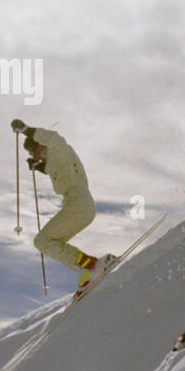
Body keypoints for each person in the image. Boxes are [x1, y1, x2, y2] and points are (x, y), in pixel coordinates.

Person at [11, 119, 118, 296]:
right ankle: (88, 267)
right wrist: (40, 167)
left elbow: (54, 138)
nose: (32, 155)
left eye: (31, 151)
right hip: (79, 205)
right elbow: (59, 170)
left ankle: (91, 266)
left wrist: (26, 130)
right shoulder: (56, 159)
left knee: (42, 241)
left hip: (78, 202)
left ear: (38, 145)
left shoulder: (57, 148)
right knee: (51, 242)